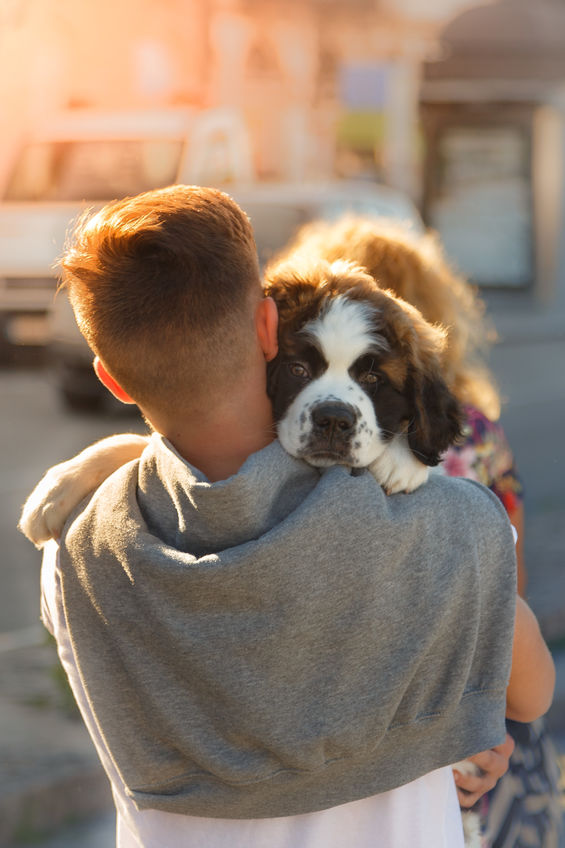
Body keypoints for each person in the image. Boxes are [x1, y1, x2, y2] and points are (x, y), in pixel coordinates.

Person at [20, 186, 554, 848]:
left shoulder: (76, 549)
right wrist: (460, 722)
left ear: (113, 380)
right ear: (268, 328)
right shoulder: (444, 528)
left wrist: (122, 460)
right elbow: (529, 696)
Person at [278, 215, 562, 847]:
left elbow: (496, 605)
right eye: (303, 366)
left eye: (369, 376)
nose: (336, 401)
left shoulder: (442, 450)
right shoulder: (476, 436)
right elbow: (507, 601)